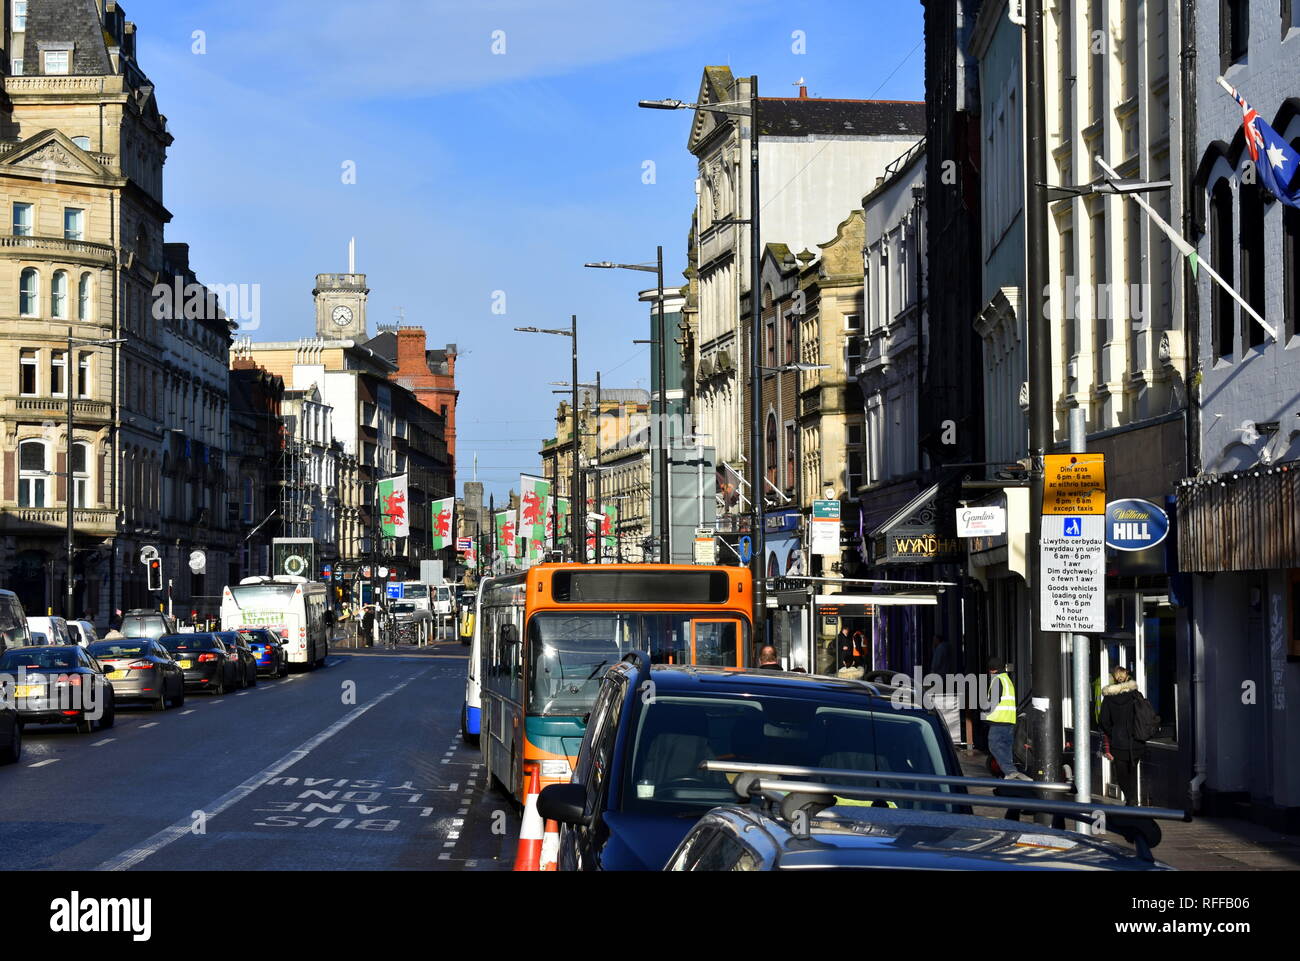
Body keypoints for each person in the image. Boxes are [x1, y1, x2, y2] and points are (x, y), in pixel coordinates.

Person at [1099, 666, 1146, 806]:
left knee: (1121, 774)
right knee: (1132, 771)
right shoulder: (1136, 695)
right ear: (1127, 676)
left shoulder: (1108, 699)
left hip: (1118, 743)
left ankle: (1130, 798)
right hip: (1136, 740)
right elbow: (1144, 715)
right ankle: (1132, 799)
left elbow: (1103, 721)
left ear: (1114, 677)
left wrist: (1112, 733)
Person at [982, 656, 1030, 780]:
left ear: (992, 670)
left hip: (998, 721)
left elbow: (993, 701)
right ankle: (1010, 774)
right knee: (1006, 748)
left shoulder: (997, 680)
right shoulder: (1007, 680)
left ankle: (1010, 771)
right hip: (1009, 721)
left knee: (994, 746)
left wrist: (984, 711)